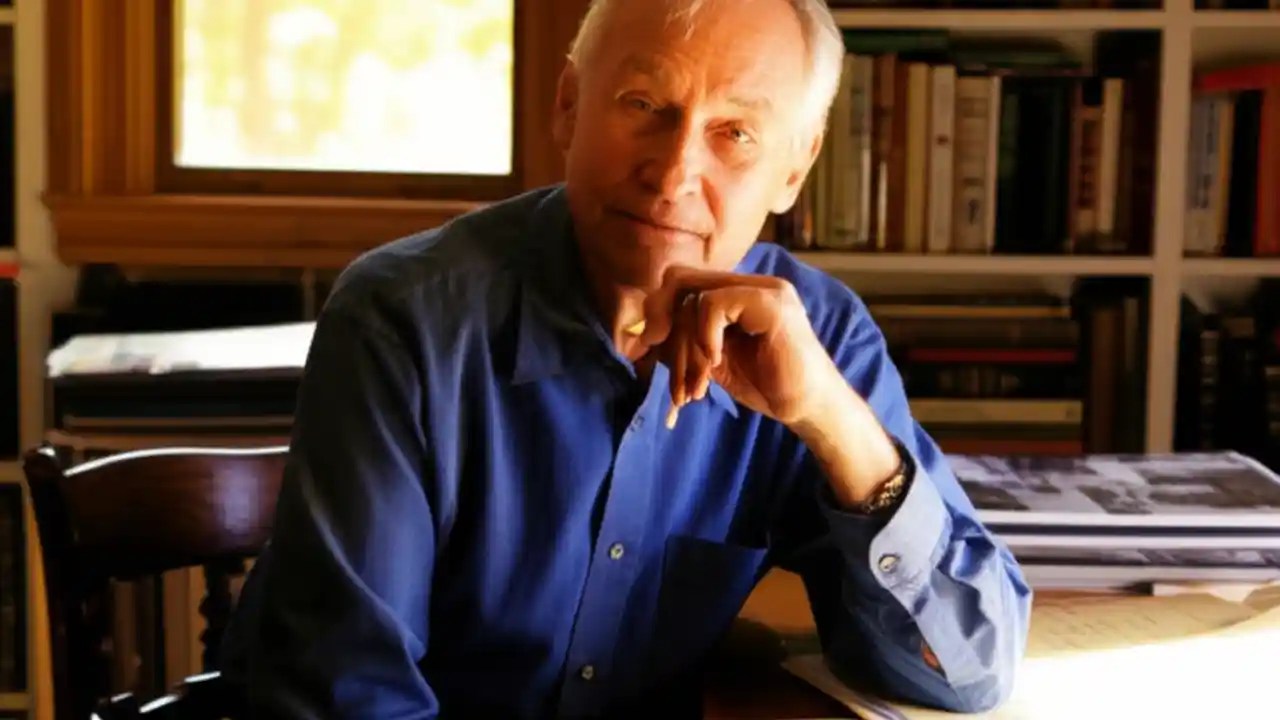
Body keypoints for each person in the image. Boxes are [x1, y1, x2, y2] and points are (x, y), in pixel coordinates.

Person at [219, 0, 1032, 717]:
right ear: (569, 105)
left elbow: (967, 669)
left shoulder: (818, 337)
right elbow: (346, 697)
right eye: (644, 104)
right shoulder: (406, 322)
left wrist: (833, 424)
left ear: (795, 167)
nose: (674, 172)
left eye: (736, 133)